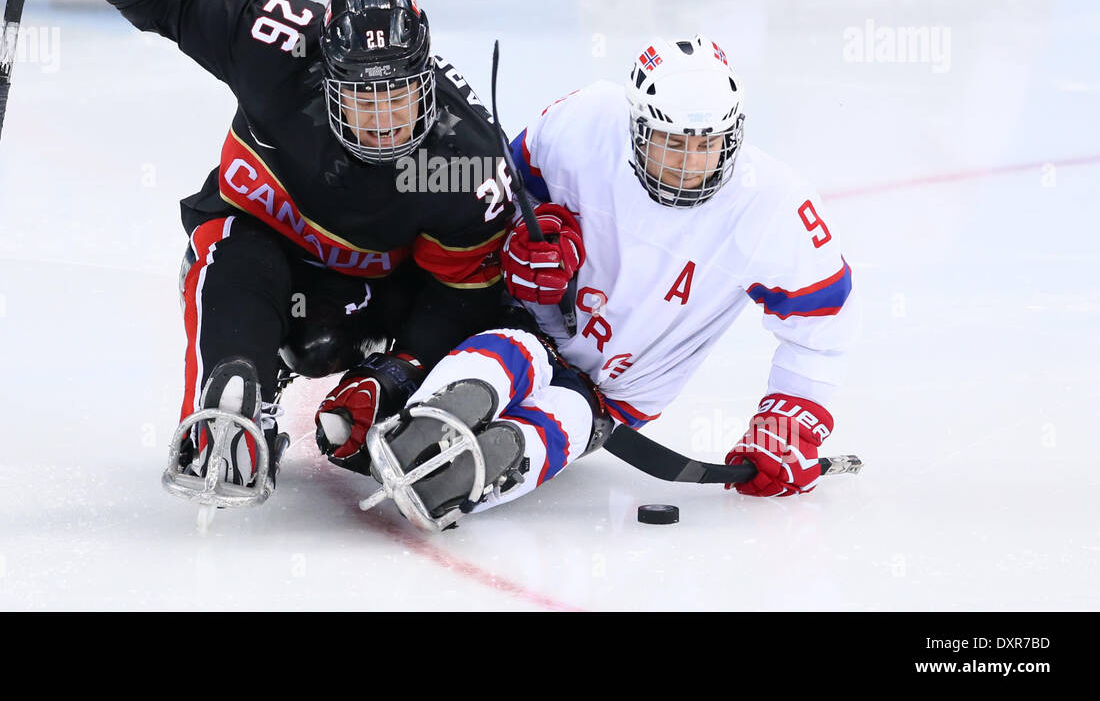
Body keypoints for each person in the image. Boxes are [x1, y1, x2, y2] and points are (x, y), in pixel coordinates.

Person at [12, 0, 512, 510]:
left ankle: (288, 374)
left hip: (361, 294)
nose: (384, 119)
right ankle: (231, 383)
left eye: (398, 95)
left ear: (430, 82)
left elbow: (465, 296)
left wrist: (396, 374)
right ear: (324, 72)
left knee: (319, 338)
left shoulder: (467, 161)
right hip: (256, 233)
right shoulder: (277, 44)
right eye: (362, 98)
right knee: (230, 254)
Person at [358, 36, 861, 528]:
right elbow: (493, 205)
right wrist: (522, 246)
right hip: (531, 325)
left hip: (619, 393)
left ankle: (470, 481)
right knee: (509, 351)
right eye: (670, 143)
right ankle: (417, 427)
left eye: (706, 144)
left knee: (571, 415)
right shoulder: (585, 123)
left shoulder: (773, 205)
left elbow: (822, 328)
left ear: (733, 135)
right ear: (637, 126)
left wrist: (787, 424)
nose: (688, 164)